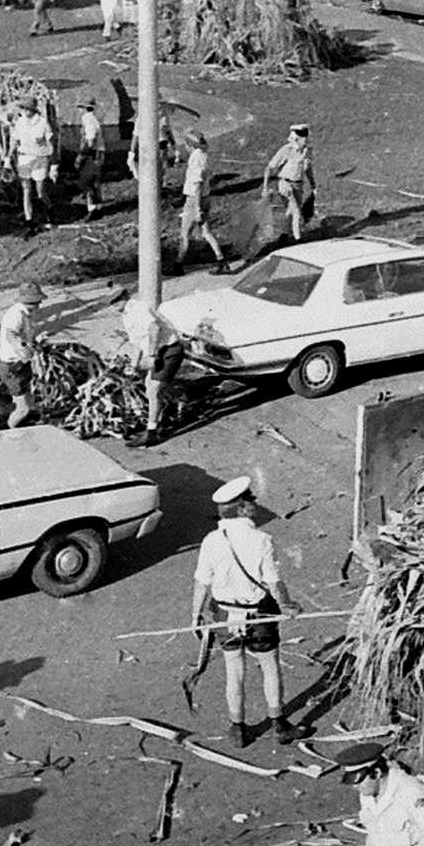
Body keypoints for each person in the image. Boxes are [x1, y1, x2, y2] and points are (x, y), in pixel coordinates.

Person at [189, 477, 298, 746]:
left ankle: (237, 729)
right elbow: (273, 582)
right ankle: (279, 725)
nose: (254, 504)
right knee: (269, 667)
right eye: (249, 500)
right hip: (259, 614)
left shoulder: (211, 541)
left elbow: (201, 582)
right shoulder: (262, 539)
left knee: (234, 671)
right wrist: (287, 605)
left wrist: (195, 616)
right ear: (240, 508)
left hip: (224, 616)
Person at [120, 294, 184, 447]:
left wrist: (151, 354)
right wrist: (134, 365)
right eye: (111, 302)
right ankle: (164, 412)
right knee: (150, 386)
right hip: (159, 351)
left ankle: (151, 433)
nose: (114, 305)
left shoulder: (138, 308)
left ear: (125, 296)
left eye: (117, 300)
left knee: (154, 390)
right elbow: (137, 343)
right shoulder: (126, 315)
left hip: (169, 350)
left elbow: (155, 328)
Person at [0, 280, 45, 428]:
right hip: (13, 367)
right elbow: (11, 335)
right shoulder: (16, 315)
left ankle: (26, 422)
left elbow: (26, 334)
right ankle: (11, 432)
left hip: (21, 365)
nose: (39, 306)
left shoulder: (25, 313)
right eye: (36, 303)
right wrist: (22, 347)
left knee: (29, 400)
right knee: (23, 409)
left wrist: (34, 344)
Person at [177, 130, 227, 272]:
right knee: (206, 232)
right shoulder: (204, 156)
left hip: (194, 200)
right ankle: (221, 260)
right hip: (205, 197)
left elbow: (197, 184)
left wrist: (197, 208)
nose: (184, 147)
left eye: (186, 144)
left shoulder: (196, 160)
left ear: (190, 145)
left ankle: (178, 264)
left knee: (185, 234)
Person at [261, 124, 314, 244]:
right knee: (296, 212)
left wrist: (313, 185)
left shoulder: (307, 151)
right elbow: (269, 168)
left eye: (306, 138)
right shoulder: (286, 150)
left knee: (290, 211)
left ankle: (284, 236)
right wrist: (265, 187)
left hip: (298, 185)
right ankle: (298, 239)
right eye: (303, 139)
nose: (306, 141)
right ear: (296, 139)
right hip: (285, 184)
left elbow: (308, 169)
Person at [11, 102, 56, 230]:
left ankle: (49, 212)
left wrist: (53, 160)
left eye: (28, 108)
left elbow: (49, 141)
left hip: (39, 158)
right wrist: (8, 157)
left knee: (40, 191)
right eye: (24, 108)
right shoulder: (20, 122)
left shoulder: (42, 122)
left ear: (33, 109)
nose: (25, 111)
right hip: (24, 158)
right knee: (26, 190)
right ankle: (29, 222)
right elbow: (14, 140)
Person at [76, 99, 106, 217]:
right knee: (93, 182)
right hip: (96, 152)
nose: (78, 110)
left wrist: (81, 155)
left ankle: (93, 208)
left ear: (85, 108)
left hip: (93, 153)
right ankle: (97, 208)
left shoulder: (88, 120)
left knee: (86, 181)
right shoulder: (91, 119)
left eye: (80, 107)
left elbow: (90, 141)